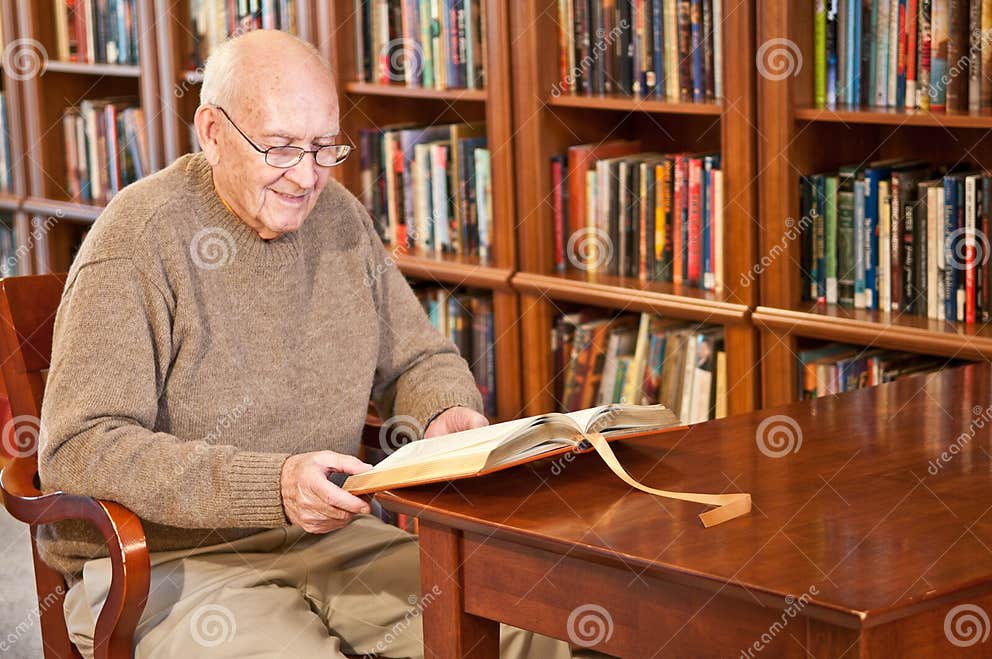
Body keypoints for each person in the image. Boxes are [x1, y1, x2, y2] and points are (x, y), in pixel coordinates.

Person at [38, 29, 574, 658]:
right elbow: (78, 449)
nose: (307, 177)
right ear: (211, 132)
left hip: (331, 541)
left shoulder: (339, 218)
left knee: (530, 629)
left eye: (324, 147)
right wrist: (274, 487)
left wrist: (443, 410)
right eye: (281, 148)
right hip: (166, 563)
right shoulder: (137, 240)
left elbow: (419, 357)